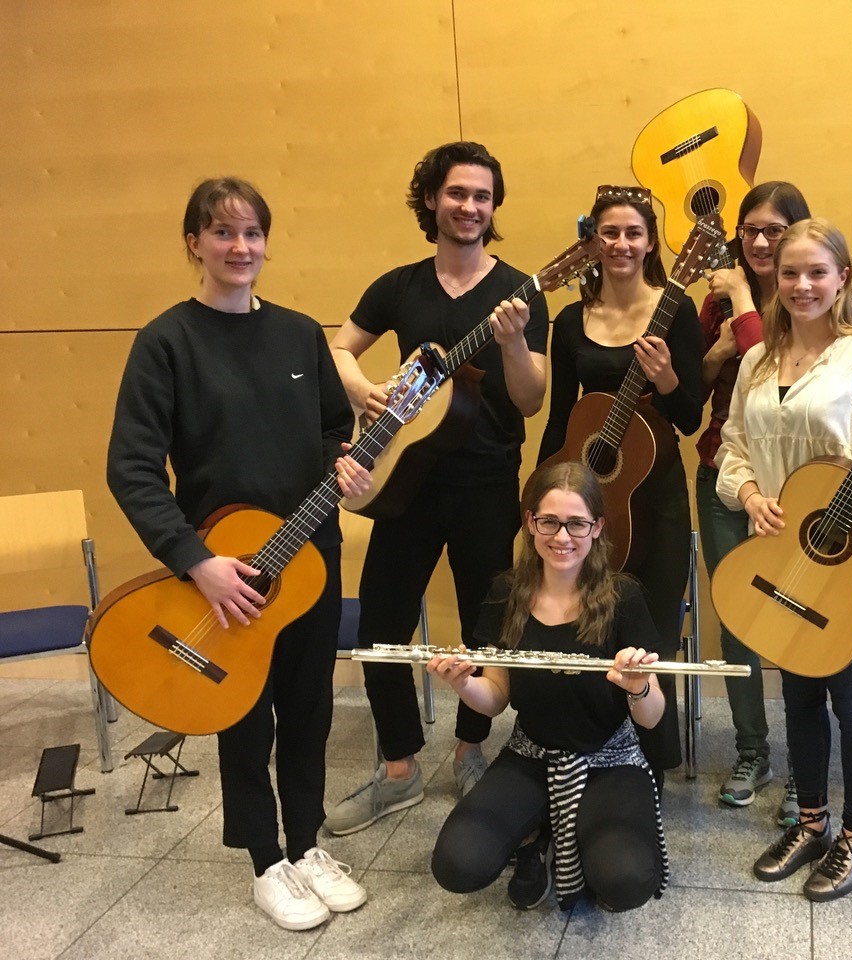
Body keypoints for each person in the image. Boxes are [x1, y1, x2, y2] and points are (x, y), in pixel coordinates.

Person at [106, 177, 372, 930]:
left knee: (311, 710)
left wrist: (344, 462)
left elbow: (330, 430)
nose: (240, 247)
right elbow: (131, 468)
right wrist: (198, 561)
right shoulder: (166, 342)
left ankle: (309, 843)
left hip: (310, 557)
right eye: (222, 233)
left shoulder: (297, 335)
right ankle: (266, 859)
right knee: (246, 717)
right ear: (193, 243)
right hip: (223, 573)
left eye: (252, 232)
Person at [323, 141, 549, 834]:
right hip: (403, 484)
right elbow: (336, 347)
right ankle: (399, 768)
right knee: (384, 626)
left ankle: (470, 749)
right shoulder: (400, 286)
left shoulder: (519, 291)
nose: (470, 207)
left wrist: (512, 344)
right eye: (458, 193)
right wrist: (364, 391)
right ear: (431, 200)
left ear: (493, 207)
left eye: (483, 196)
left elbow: (532, 399)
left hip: (485, 482)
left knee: (486, 626)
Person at [716, 218, 852, 902]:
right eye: (790, 273)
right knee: (801, 699)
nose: (803, 285)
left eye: (818, 272)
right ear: (773, 281)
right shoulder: (755, 360)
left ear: (843, 277)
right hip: (781, 553)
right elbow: (733, 445)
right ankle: (810, 821)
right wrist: (750, 495)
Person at [429, 461, 669, 912]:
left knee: (624, 881)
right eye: (549, 522)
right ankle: (536, 833)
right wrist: (462, 684)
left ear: (597, 527)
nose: (562, 537)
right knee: (458, 864)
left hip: (608, 755)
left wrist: (638, 687)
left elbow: (651, 717)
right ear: (530, 523)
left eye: (576, 523)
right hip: (531, 752)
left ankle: (562, 829)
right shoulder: (506, 592)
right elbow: (495, 699)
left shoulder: (624, 597)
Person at [537, 185, 702, 774]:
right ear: (592, 242)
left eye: (634, 232)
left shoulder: (676, 311)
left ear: (651, 241)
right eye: (609, 233)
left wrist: (664, 379)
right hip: (588, 501)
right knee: (586, 623)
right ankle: (590, 746)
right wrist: (537, 499)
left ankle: (654, 761)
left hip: (655, 494)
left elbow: (689, 417)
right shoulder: (570, 321)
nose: (622, 244)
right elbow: (560, 419)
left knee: (652, 629)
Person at [697, 181, 810, 819]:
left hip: (797, 487)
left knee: (796, 616)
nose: (761, 242)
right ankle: (751, 749)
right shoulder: (714, 304)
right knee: (736, 612)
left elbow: (762, 362)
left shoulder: (809, 295)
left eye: (775, 230)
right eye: (751, 231)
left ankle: (805, 765)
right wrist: (717, 338)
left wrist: (742, 300)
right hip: (724, 474)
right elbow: (699, 387)